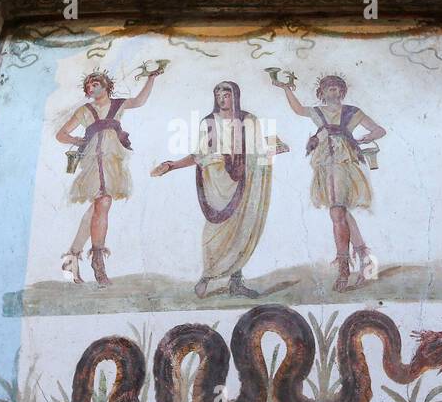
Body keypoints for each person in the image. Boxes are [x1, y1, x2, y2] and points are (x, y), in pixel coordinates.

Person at [152, 80, 287, 298]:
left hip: (244, 180)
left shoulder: (249, 120)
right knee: (214, 233)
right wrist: (173, 165)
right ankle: (207, 276)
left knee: (241, 230)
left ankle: (236, 283)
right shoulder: (209, 122)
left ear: (236, 96)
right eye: (219, 96)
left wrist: (274, 147)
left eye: (226, 95)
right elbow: (199, 155)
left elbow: (257, 150)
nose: (222, 99)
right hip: (217, 183)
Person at [275, 73, 385, 292]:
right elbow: (298, 109)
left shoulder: (352, 112)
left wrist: (366, 138)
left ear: (342, 91)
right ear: (322, 92)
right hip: (325, 165)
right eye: (329, 89)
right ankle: (365, 258)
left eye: (337, 88)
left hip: (343, 164)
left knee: (336, 213)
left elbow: (379, 130)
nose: (333, 92)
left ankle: (344, 267)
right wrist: (286, 88)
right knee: (341, 212)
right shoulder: (319, 112)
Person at [56, 68, 160, 286]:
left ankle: (72, 257)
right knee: (102, 203)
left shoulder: (117, 104)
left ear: (105, 85)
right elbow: (61, 134)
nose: (92, 88)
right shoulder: (85, 110)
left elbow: (140, 101)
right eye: (89, 86)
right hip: (94, 161)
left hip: (112, 161)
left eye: (95, 84)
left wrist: (151, 78)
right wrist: (78, 141)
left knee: (97, 208)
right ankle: (97, 262)